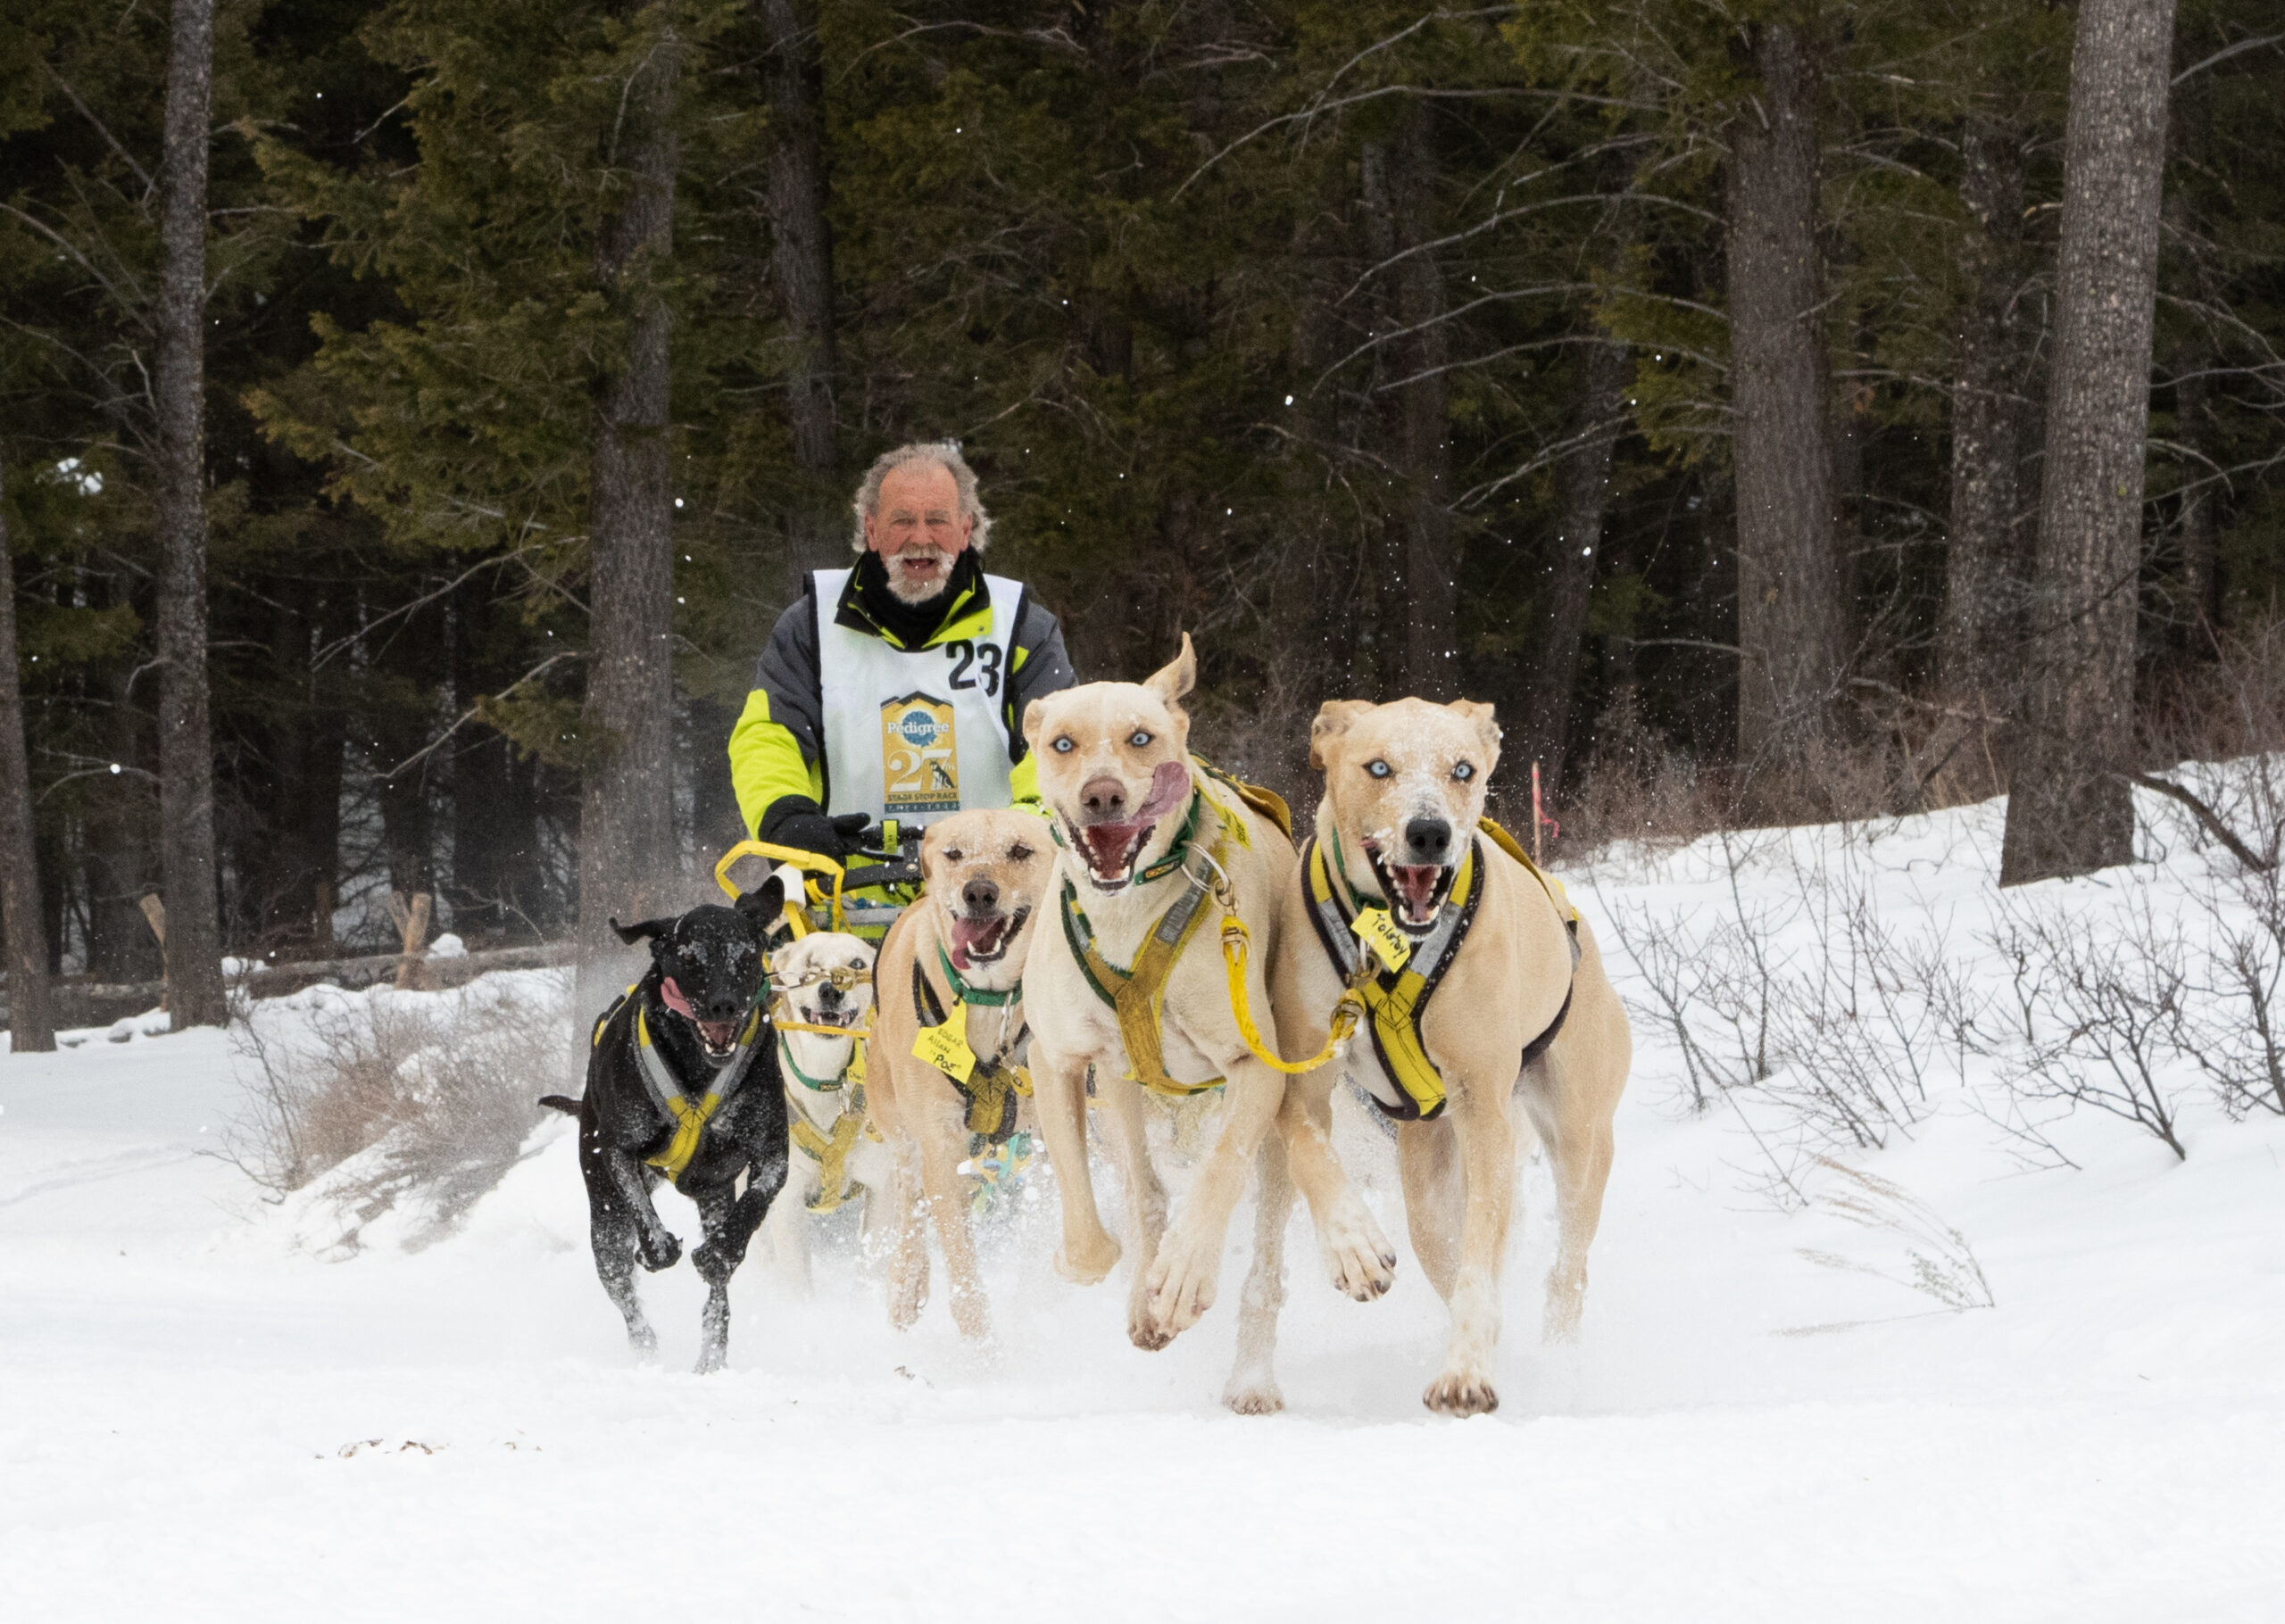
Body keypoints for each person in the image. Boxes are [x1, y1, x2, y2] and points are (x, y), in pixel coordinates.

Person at [727, 441, 1075, 929]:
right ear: (870, 530)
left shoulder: (1024, 628)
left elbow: (1060, 747)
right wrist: (787, 817)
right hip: (841, 903)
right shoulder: (809, 626)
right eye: (901, 520)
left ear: (966, 529)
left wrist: (1017, 837)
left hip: (994, 908)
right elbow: (767, 736)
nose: (920, 538)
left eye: (937, 519)